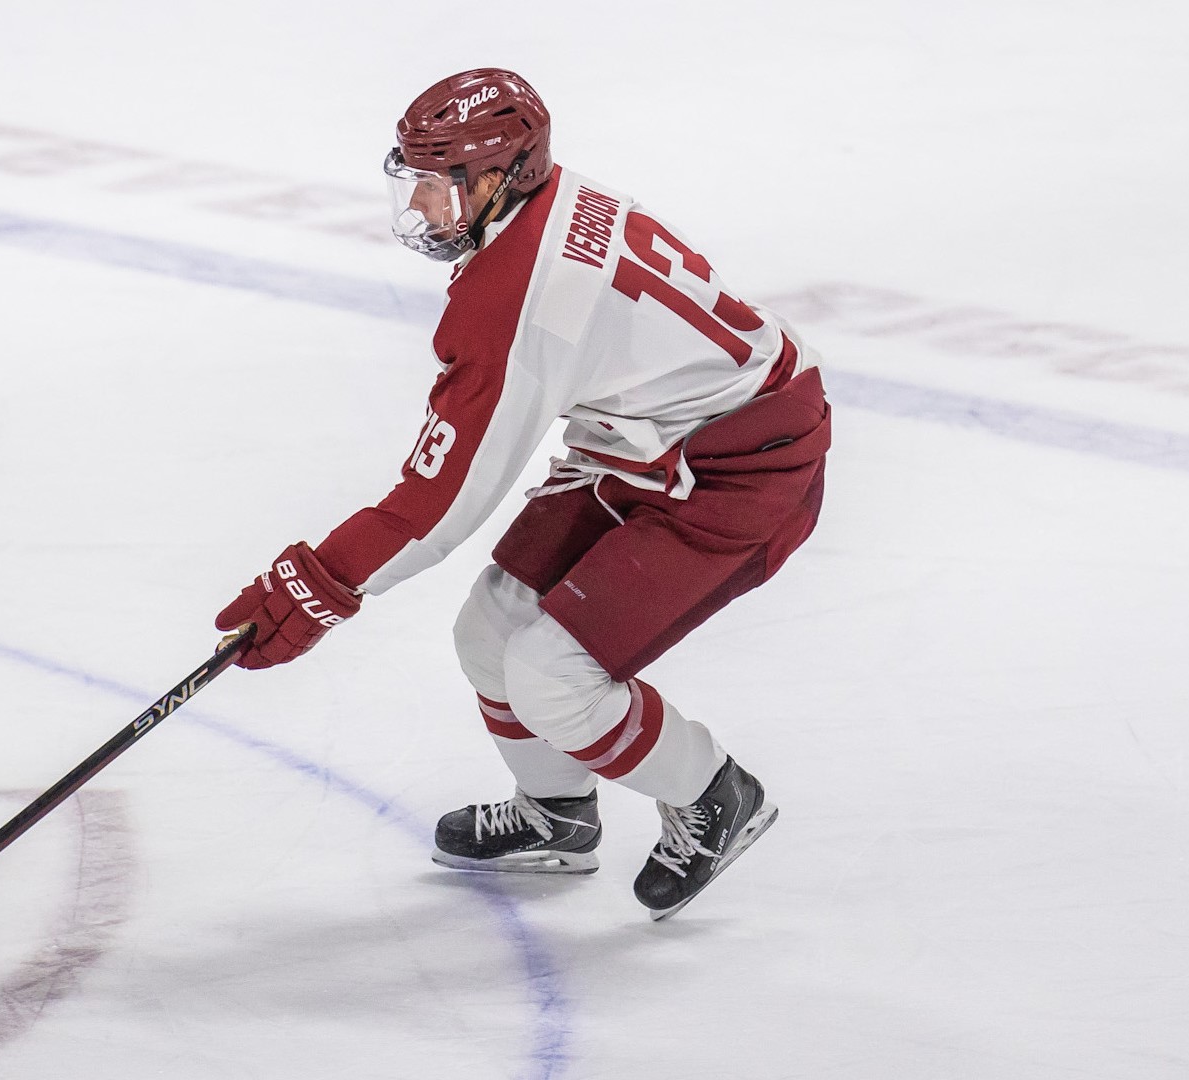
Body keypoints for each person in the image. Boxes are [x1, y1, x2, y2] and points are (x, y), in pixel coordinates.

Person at [215, 68, 830, 921]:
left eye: (440, 183)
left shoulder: (519, 299)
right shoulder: (538, 210)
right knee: (488, 633)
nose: (420, 204)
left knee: (553, 679)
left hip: (741, 467)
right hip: (645, 440)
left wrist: (321, 584)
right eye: (413, 179)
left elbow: (440, 504)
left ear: (502, 176)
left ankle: (715, 792)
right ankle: (558, 816)